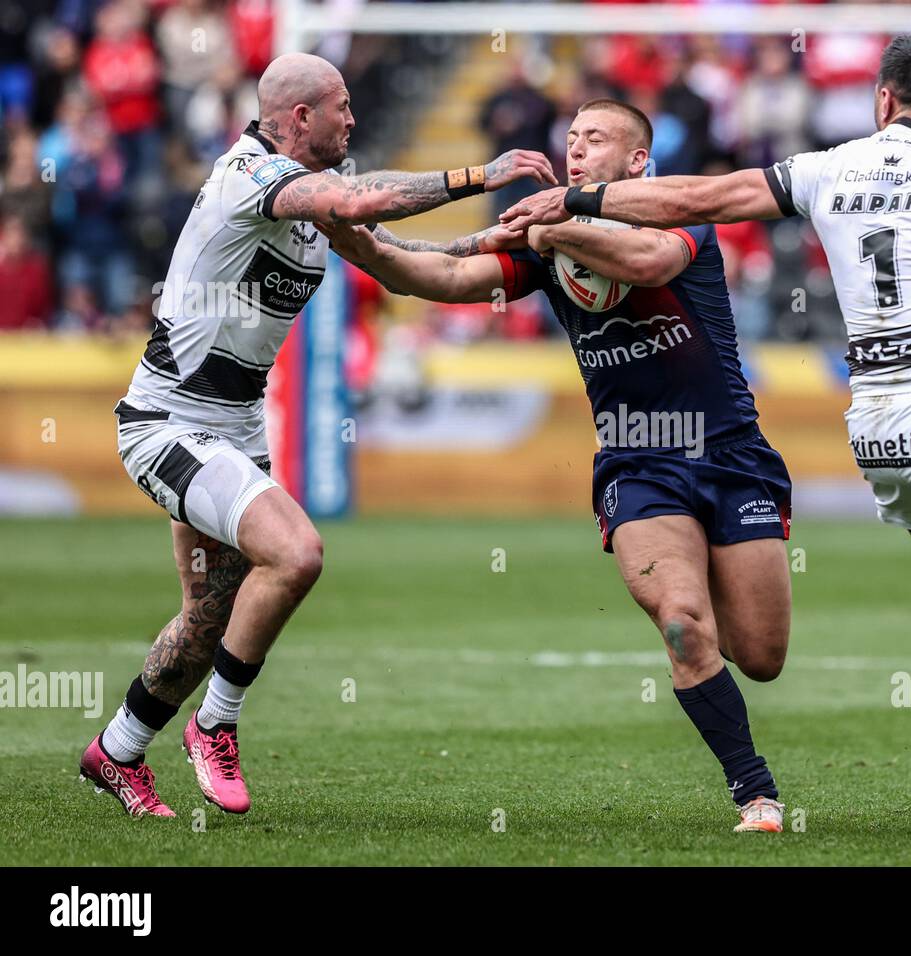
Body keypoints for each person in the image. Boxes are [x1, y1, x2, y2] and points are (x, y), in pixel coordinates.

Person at [501, 36, 911, 850]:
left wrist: (579, 202)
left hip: (877, 425)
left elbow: (699, 196)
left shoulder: (830, 166)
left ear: (882, 100)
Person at [80, 51, 556, 819]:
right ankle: (215, 726)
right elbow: (363, 203)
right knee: (297, 552)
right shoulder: (248, 176)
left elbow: (395, 265)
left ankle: (117, 751)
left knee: (210, 619)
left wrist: (499, 244)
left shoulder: (325, 193)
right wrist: (480, 176)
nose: (353, 118)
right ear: (300, 118)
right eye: (340, 106)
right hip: (168, 420)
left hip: (234, 425)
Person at [324, 98, 793, 834]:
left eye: (595, 139)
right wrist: (358, 242)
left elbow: (644, 261)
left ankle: (717, 643)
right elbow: (436, 279)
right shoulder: (547, 249)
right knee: (680, 623)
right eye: (569, 139)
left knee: (761, 656)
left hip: (730, 453)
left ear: (637, 161)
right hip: (638, 461)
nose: (575, 150)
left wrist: (547, 224)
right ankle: (755, 792)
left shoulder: (676, 220)